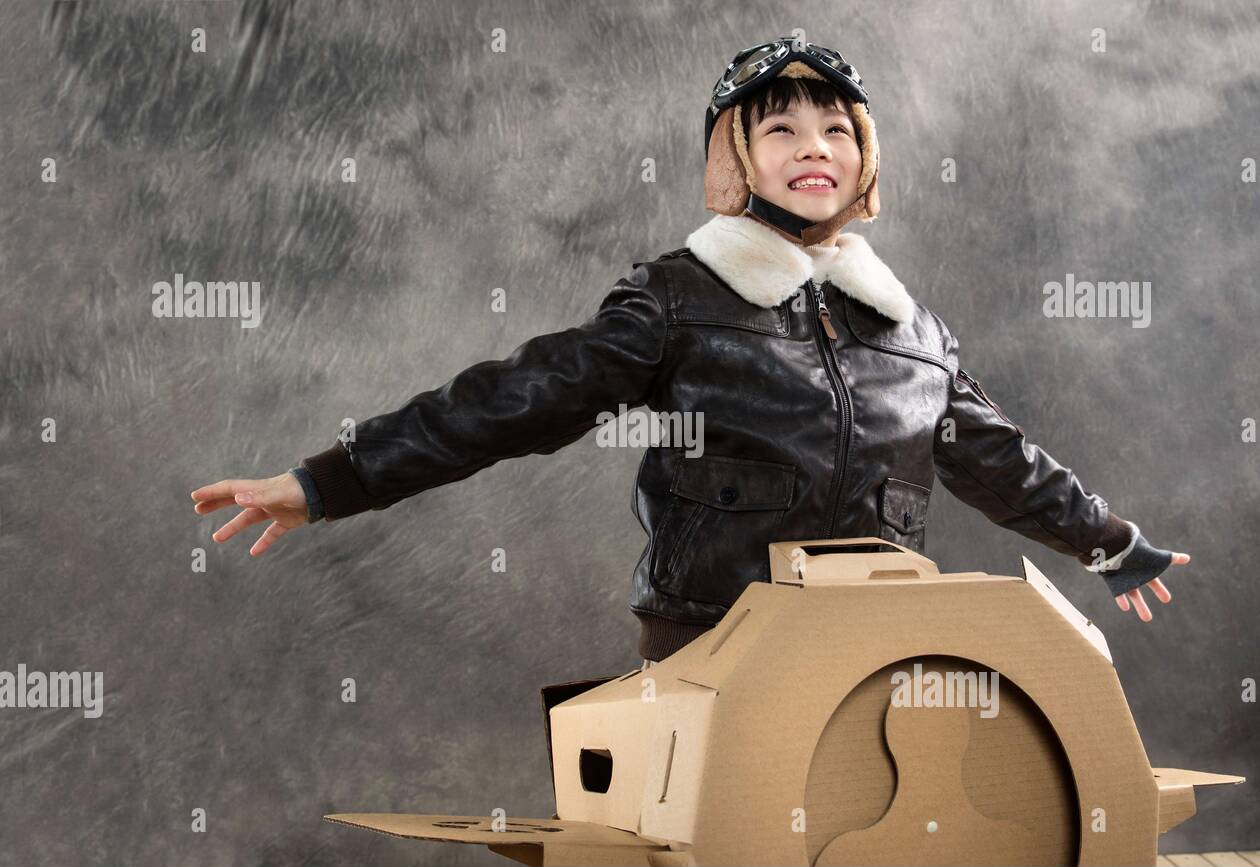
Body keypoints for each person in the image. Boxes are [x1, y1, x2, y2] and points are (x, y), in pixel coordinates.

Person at [191, 37, 1188, 662]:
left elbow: (1002, 461)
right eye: (780, 128)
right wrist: (329, 479)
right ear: (735, 158)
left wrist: (1109, 541)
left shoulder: (915, 336)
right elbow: (515, 398)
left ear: (863, 159)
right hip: (714, 648)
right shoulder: (676, 301)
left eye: (836, 129)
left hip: (877, 653)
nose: (814, 146)